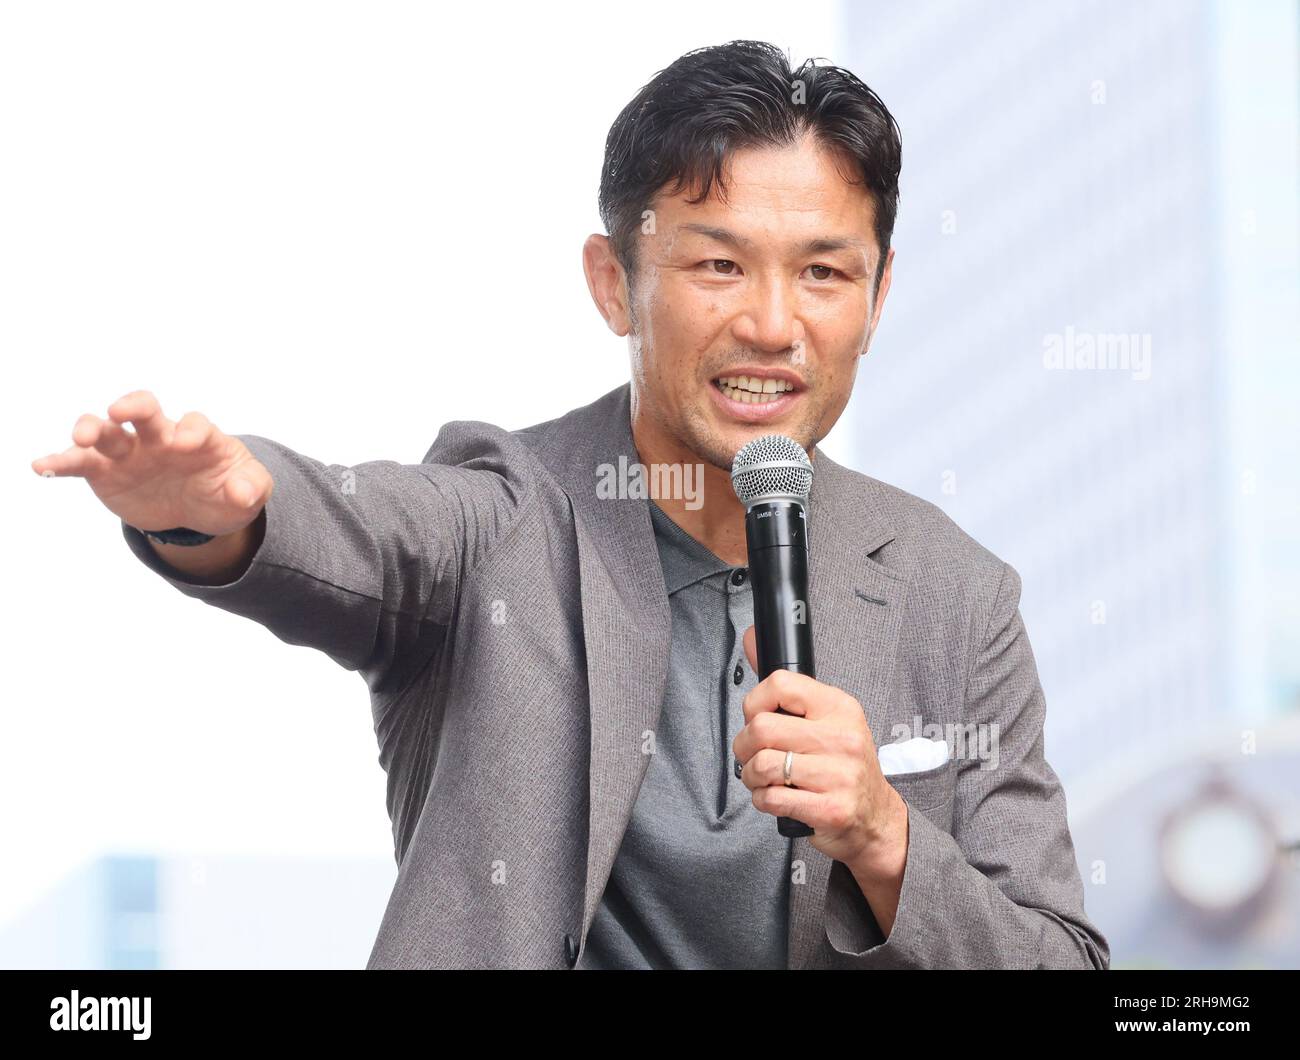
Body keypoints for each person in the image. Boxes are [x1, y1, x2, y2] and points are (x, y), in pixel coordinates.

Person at [30, 40, 1109, 970]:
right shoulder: (506, 517)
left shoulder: (954, 596)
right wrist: (220, 512)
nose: (774, 325)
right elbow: (364, 532)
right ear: (613, 282)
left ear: (876, 299)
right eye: (719, 264)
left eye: (823, 274)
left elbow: (1061, 958)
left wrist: (883, 835)